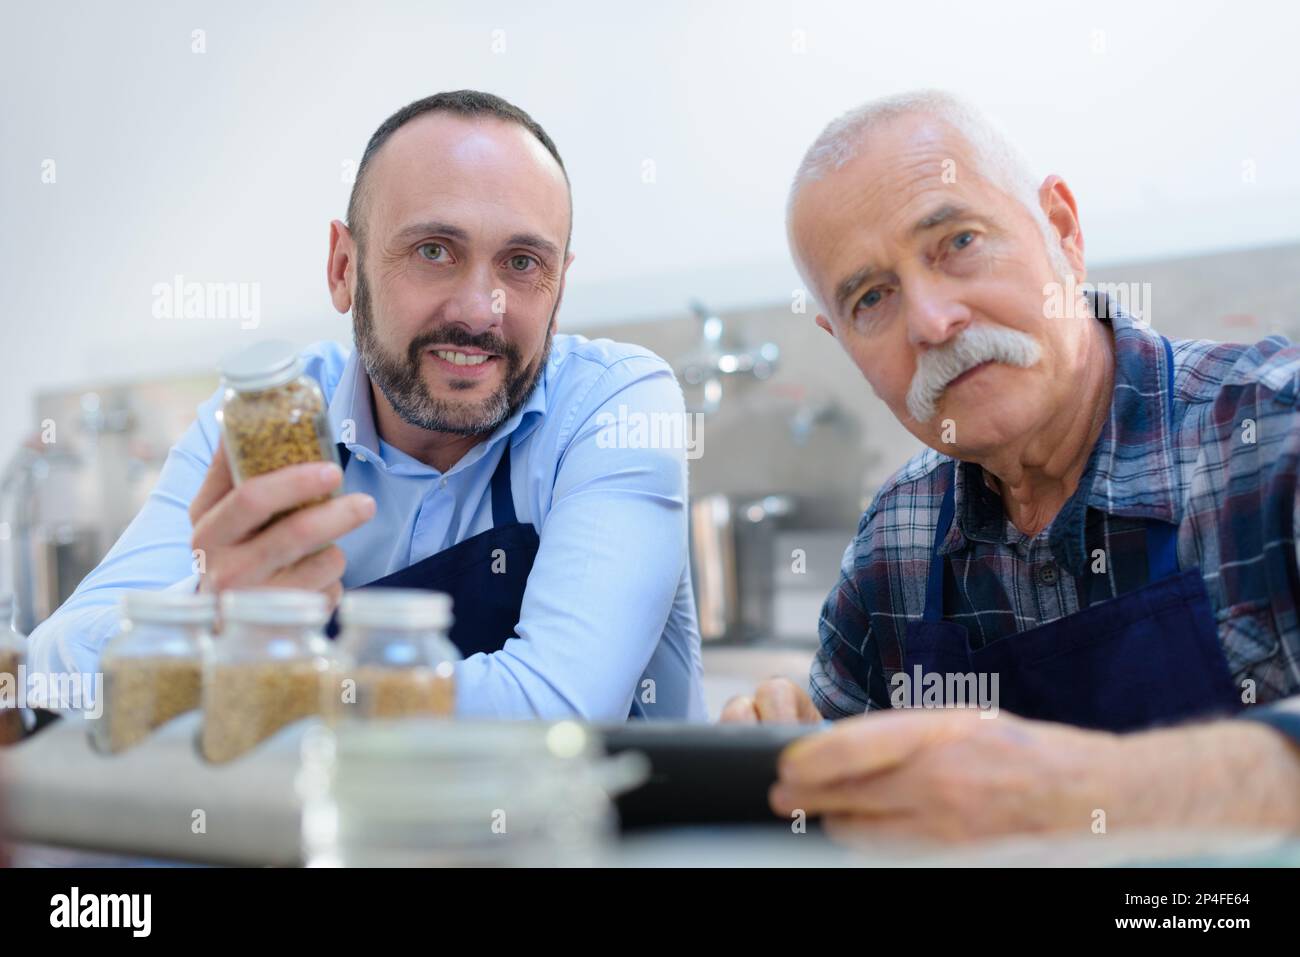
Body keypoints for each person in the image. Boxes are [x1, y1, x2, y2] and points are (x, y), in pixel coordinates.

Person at [724, 90, 1300, 840]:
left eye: (959, 242)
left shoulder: (1272, 435)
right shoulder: (892, 546)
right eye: (871, 298)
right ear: (843, 342)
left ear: (1061, 230)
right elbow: (841, 827)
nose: (932, 321)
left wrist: (1095, 793)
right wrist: (794, 771)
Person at [28, 90, 705, 722]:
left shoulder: (613, 406)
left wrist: (247, 674)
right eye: (434, 251)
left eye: (522, 263)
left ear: (559, 290)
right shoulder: (264, 426)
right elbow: (50, 675)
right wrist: (208, 612)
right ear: (343, 268)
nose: (479, 310)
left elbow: (556, 707)